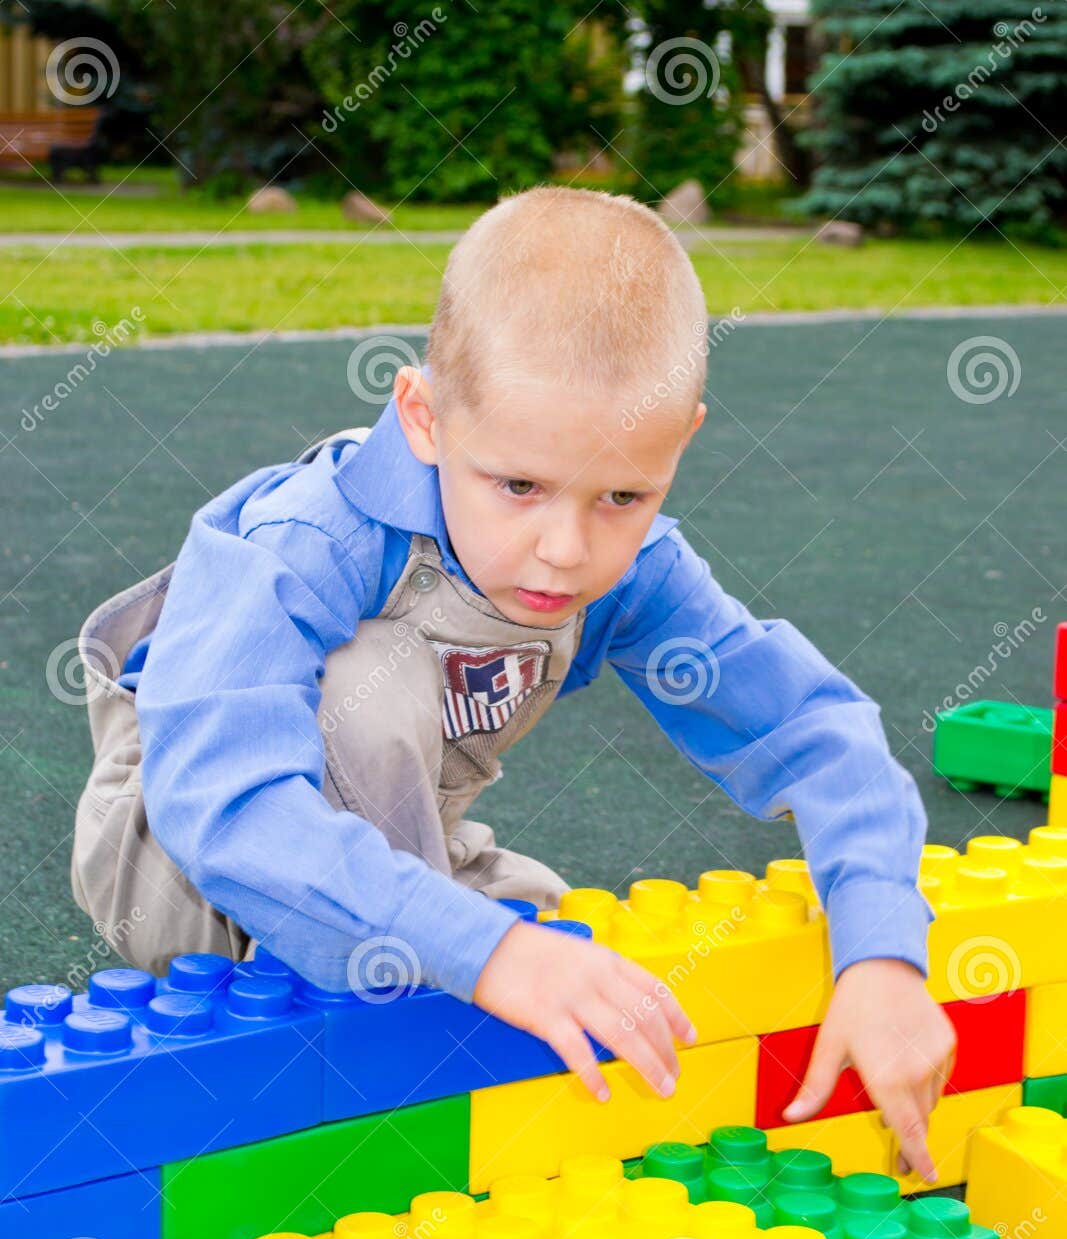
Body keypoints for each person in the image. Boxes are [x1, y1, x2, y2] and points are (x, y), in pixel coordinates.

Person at [71, 186, 955, 1181]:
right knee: (381, 689)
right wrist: (487, 953)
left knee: (576, 959)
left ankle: (415, 956)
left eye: (624, 494)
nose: (565, 550)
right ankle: (368, 1020)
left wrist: (880, 954)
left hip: (397, 835)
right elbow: (225, 806)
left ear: (680, 442)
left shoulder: (629, 566)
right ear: (423, 417)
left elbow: (815, 728)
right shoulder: (310, 536)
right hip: (179, 853)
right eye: (518, 487)